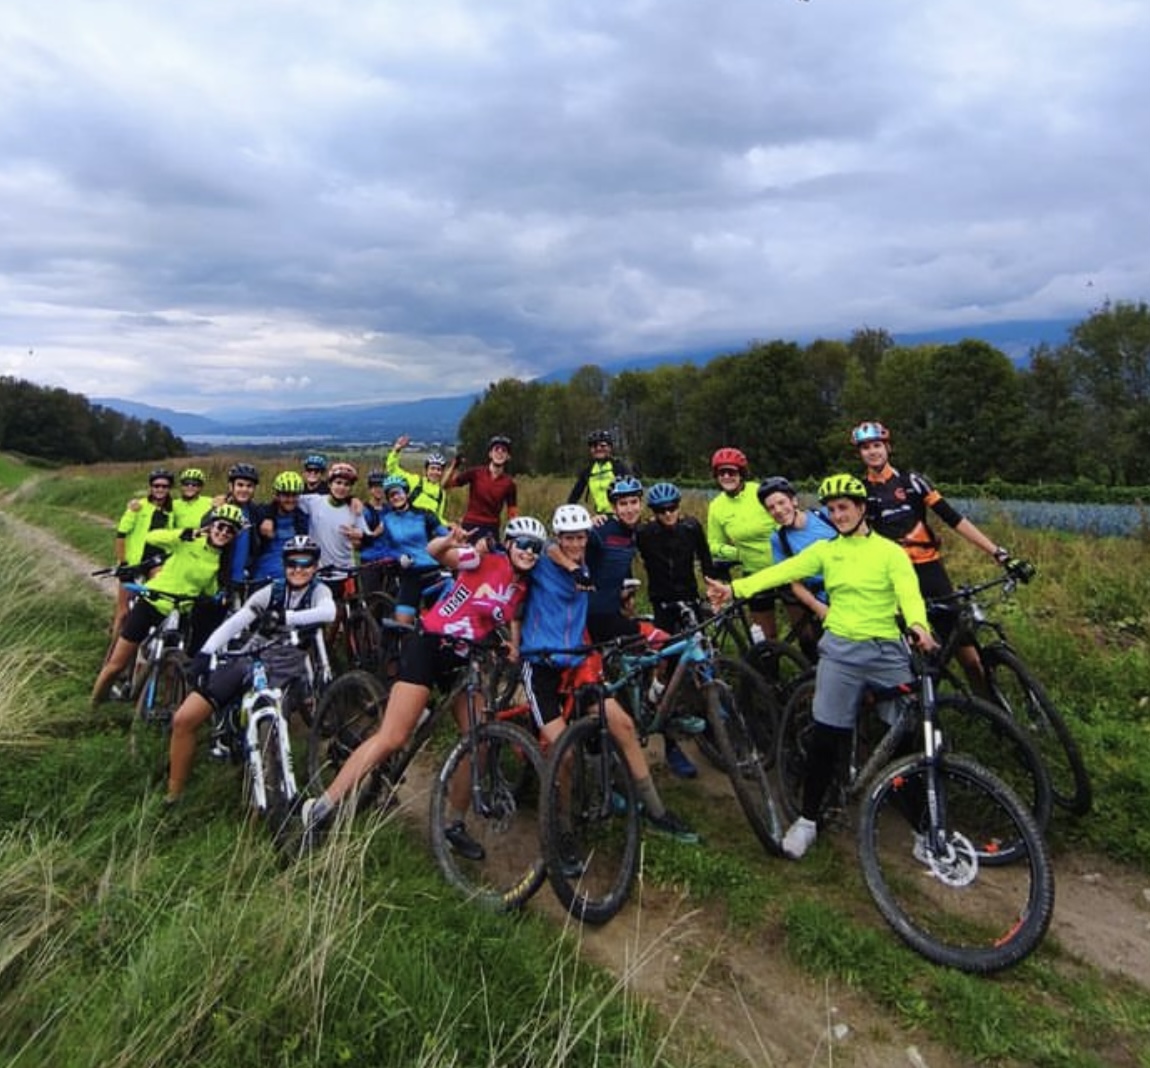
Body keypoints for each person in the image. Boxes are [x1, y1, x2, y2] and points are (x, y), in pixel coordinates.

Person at [705, 473, 938, 860]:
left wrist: (918, 626)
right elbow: (779, 572)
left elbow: (909, 594)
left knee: (904, 740)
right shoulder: (827, 551)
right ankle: (808, 820)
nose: (838, 515)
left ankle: (922, 827)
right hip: (842, 652)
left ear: (862, 508)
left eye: (844, 508)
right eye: (832, 509)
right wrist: (734, 590)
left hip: (886, 652)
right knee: (825, 736)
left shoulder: (890, 552)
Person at [301, 517, 546, 856]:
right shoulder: (484, 560)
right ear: (509, 543)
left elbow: (493, 619)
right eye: (522, 544)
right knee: (393, 737)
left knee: (480, 740)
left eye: (536, 548)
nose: (529, 552)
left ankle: (454, 824)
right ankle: (320, 808)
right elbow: (436, 553)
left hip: (463, 657)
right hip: (430, 644)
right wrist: (449, 540)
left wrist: (505, 644)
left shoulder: (521, 587)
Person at [521, 503, 698, 842]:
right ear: (559, 537)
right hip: (541, 664)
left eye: (581, 537)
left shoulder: (591, 561)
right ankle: (562, 829)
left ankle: (657, 811)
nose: (575, 544)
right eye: (569, 538)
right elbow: (540, 548)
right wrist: (567, 563)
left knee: (624, 725)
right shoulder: (542, 563)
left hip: (578, 662)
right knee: (565, 754)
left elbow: (619, 541)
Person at [165, 534, 337, 803]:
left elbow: (329, 613)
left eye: (306, 563)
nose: (299, 569)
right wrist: (205, 653)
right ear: (284, 565)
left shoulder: (319, 591)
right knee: (185, 719)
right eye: (292, 563)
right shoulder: (272, 591)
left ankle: (271, 797)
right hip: (248, 659)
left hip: (284, 672)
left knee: (272, 738)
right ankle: (173, 794)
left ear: (315, 566)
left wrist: (285, 617)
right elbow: (235, 623)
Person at [851, 421, 1027, 681]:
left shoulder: (913, 482)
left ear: (888, 448)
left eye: (877, 445)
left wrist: (998, 553)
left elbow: (953, 519)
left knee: (968, 655)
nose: (872, 452)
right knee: (907, 653)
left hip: (928, 569)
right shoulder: (858, 491)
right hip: (891, 575)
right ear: (860, 454)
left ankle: (990, 710)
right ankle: (920, 710)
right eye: (865, 448)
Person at [91, 504, 247, 707]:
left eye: (230, 531)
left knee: (173, 669)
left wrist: (219, 596)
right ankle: (94, 703)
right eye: (220, 527)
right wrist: (182, 534)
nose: (223, 533)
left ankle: (163, 710)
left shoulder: (220, 561)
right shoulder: (189, 541)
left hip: (180, 612)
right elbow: (152, 537)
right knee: (116, 664)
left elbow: (209, 591)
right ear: (211, 526)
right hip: (152, 603)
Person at [634, 481, 718, 778]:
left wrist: (715, 591)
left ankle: (715, 727)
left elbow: (706, 563)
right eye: (660, 510)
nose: (668, 514)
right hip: (663, 606)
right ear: (653, 512)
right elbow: (616, 546)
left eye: (672, 508)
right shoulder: (644, 533)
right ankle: (668, 738)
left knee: (705, 660)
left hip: (691, 601)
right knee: (667, 668)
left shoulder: (692, 527)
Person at [705, 447, 782, 640]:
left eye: (732, 472)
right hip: (754, 572)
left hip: (784, 566)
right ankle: (767, 669)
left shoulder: (760, 492)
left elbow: (784, 523)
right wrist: (737, 554)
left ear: (742, 474)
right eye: (722, 472)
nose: (727, 476)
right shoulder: (717, 506)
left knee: (805, 632)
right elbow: (713, 544)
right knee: (765, 636)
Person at [757, 476, 837, 660]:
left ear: (793, 501)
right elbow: (794, 582)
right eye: (771, 507)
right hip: (824, 602)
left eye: (781, 502)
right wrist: (819, 608)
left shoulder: (825, 516)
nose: (778, 510)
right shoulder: (779, 539)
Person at [365, 474, 450, 624]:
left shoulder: (424, 514)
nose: (395, 497)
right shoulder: (387, 520)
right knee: (402, 623)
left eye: (398, 492)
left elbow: (446, 536)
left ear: (406, 493)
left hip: (433, 571)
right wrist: (398, 557)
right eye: (391, 495)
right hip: (410, 574)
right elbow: (385, 547)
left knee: (440, 621)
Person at [110, 467, 175, 636]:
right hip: (133, 562)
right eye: (156, 485)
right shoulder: (138, 506)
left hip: (157, 561)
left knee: (154, 604)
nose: (160, 489)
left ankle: (144, 651)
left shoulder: (171, 511)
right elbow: (121, 535)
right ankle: (112, 649)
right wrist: (122, 562)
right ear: (151, 487)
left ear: (169, 489)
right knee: (123, 610)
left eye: (164, 486)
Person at [295, 460, 368, 582]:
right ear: (329, 484)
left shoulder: (355, 509)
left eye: (346, 484)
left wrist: (361, 537)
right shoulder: (313, 502)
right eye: (338, 483)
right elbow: (286, 499)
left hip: (347, 573)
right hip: (320, 572)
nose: (342, 487)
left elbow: (366, 538)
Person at [448, 434, 518, 544]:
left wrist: (512, 537)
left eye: (503, 450)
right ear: (490, 454)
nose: (499, 452)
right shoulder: (475, 473)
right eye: (496, 449)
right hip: (470, 524)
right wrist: (454, 466)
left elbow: (512, 512)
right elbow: (448, 484)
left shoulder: (509, 483)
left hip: (491, 528)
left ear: (508, 456)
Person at [250, 471, 310, 582]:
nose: (291, 500)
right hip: (263, 577)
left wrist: (350, 499)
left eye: (294, 495)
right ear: (277, 495)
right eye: (286, 495)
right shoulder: (261, 513)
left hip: (292, 577)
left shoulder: (301, 518)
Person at [385, 434, 457, 522]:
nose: (435, 472)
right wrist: (396, 451)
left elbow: (438, 517)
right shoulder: (416, 481)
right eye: (432, 468)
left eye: (439, 469)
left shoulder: (441, 494)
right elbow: (392, 470)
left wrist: (450, 526)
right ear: (426, 470)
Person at [216, 462, 261, 595]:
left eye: (249, 486)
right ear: (231, 486)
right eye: (240, 485)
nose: (244, 490)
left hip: (245, 578)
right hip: (222, 578)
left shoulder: (254, 511)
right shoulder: (219, 510)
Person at [567, 429, 633, 517]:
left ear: (610, 447)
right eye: (594, 446)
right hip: (600, 516)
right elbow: (575, 494)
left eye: (603, 445)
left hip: (620, 515)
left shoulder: (619, 467)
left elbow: (633, 493)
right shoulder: (588, 470)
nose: (598, 448)